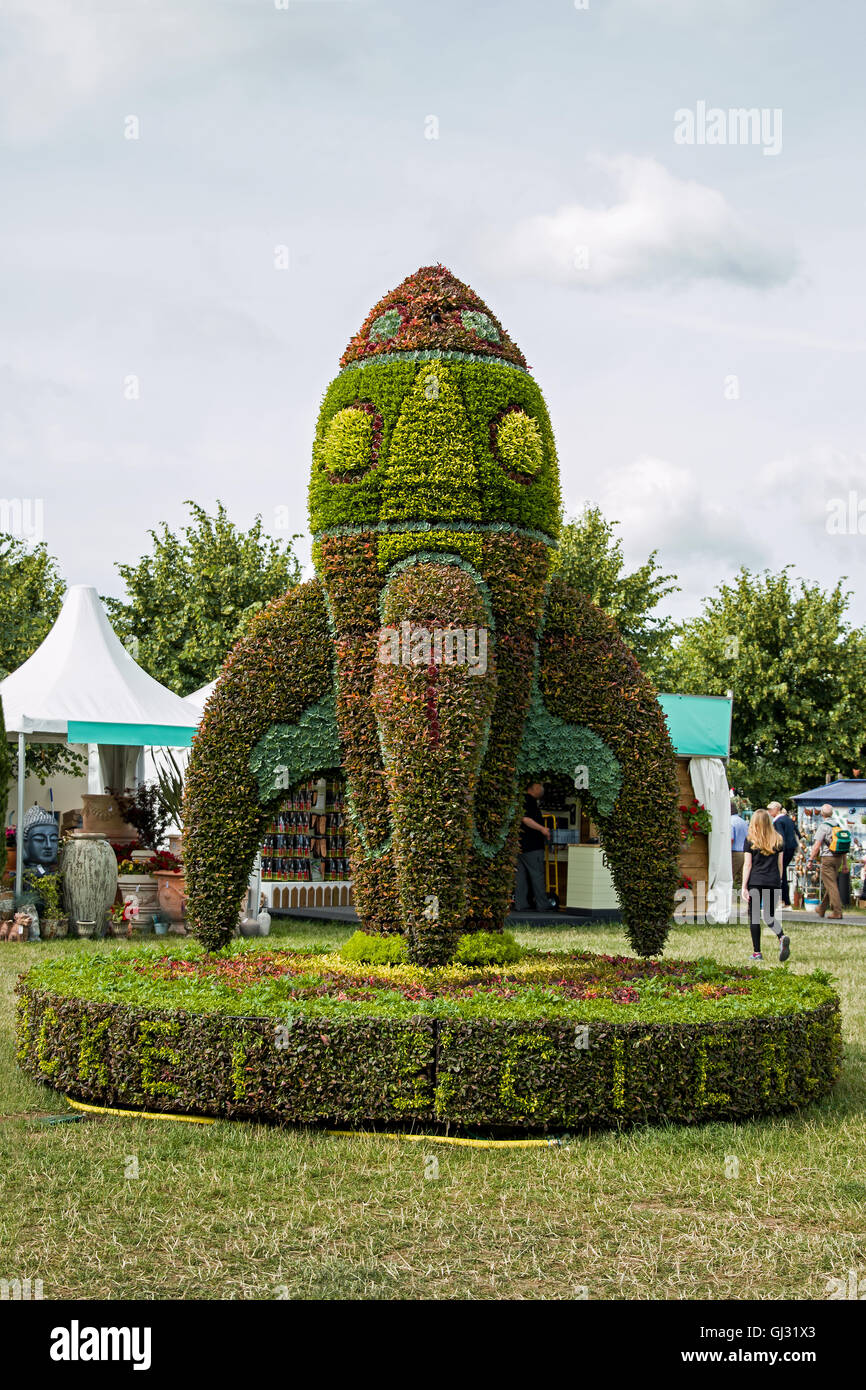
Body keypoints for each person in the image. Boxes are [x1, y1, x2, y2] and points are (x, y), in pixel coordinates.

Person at [742, 807, 790, 962]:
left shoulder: (750, 840)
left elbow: (747, 865)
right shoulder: (778, 840)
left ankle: (757, 953)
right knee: (769, 916)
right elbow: (780, 864)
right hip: (773, 881)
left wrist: (744, 886)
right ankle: (781, 937)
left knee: (754, 918)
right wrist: (779, 881)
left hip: (756, 881)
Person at [514, 779, 550, 913]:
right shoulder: (528, 801)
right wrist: (543, 829)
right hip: (533, 846)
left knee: (520, 878)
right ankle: (542, 905)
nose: (541, 789)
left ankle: (520, 904)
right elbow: (526, 819)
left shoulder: (521, 800)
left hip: (520, 845)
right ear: (533, 788)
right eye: (540, 786)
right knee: (537, 876)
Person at [809, 803, 845, 919]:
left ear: (822, 814)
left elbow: (817, 846)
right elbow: (844, 846)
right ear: (832, 813)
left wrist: (810, 859)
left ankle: (837, 911)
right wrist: (844, 863)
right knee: (831, 884)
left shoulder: (823, 826)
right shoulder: (838, 826)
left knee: (831, 885)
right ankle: (821, 908)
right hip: (838, 858)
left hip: (827, 859)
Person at [768, 801, 800, 908]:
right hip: (791, 848)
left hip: (784, 849)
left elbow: (780, 837)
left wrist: (778, 850)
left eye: (770, 809)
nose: (769, 811)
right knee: (783, 872)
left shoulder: (778, 821)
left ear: (776, 809)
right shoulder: (788, 819)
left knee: (780, 873)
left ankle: (783, 900)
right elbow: (798, 833)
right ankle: (784, 900)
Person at [730, 801, 748, 889]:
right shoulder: (743, 821)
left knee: (730, 876)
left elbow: (731, 839)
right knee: (743, 878)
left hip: (735, 853)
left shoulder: (730, 821)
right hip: (745, 852)